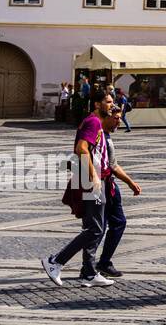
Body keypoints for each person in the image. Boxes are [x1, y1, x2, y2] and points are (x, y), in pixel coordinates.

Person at [41, 89, 117, 288]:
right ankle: (55, 261)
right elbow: (81, 148)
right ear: (97, 104)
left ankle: (89, 273)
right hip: (90, 180)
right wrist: (93, 176)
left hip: (89, 179)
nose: (111, 105)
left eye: (112, 102)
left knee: (94, 227)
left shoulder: (96, 123)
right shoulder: (93, 122)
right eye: (108, 102)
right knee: (95, 229)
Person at [93, 106, 142, 279]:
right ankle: (91, 265)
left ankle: (102, 262)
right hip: (101, 186)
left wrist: (130, 182)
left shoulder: (106, 137)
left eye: (120, 118)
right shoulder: (99, 136)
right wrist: (130, 182)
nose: (119, 121)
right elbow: (110, 166)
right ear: (105, 118)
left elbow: (113, 164)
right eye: (115, 118)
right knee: (98, 227)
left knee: (114, 223)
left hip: (109, 186)